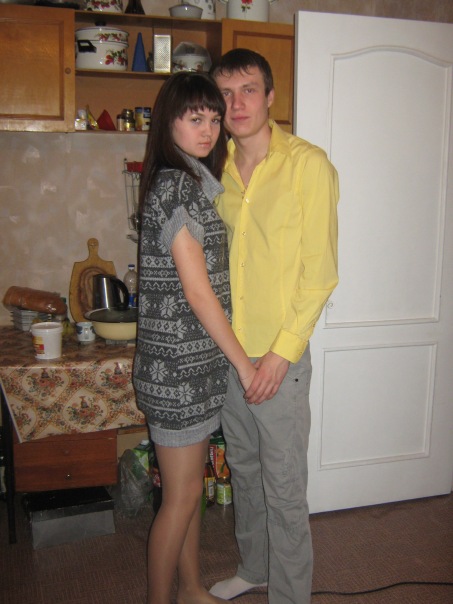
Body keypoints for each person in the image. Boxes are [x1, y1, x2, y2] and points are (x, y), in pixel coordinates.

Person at [208, 49, 339, 604]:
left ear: (270, 97)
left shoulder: (308, 165)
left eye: (248, 90)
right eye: (225, 94)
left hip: (278, 360)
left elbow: (320, 274)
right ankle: (254, 567)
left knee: (284, 486)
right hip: (230, 354)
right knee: (243, 468)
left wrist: (281, 356)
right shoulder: (213, 168)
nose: (236, 104)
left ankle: (290, 595)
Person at [133, 71, 265, 604]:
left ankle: (189, 588)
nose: (209, 129)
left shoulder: (189, 182)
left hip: (192, 367)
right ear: (170, 122)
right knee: (183, 497)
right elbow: (199, 293)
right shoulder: (177, 186)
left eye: (214, 118)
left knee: (187, 495)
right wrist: (245, 365)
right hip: (178, 375)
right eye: (195, 118)